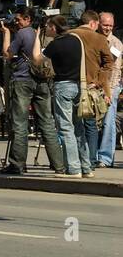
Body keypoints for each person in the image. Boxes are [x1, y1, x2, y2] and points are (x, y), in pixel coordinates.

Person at [0, 8, 67, 175]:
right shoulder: (41, 33)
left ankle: (18, 164)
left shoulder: (22, 34)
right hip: (42, 81)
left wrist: (6, 33)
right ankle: (58, 165)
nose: (15, 22)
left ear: (27, 19)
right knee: (47, 123)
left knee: (19, 123)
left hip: (23, 81)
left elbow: (7, 54)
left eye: (18, 19)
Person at [38, 15, 86, 177]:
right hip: (79, 85)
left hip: (63, 86)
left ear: (53, 28)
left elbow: (37, 59)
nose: (46, 29)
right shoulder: (76, 40)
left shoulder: (55, 44)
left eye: (47, 26)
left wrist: (37, 38)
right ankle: (86, 167)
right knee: (78, 127)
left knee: (65, 128)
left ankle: (73, 168)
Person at [69, 10, 114, 179]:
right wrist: (99, 81)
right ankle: (90, 160)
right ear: (94, 23)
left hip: (70, 84)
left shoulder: (69, 35)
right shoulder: (99, 38)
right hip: (90, 87)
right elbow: (109, 63)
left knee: (71, 125)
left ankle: (75, 160)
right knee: (90, 125)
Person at [98, 11, 121, 169]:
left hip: (111, 87)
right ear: (98, 23)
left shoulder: (116, 44)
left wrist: (111, 92)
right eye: (105, 24)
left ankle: (105, 158)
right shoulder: (93, 38)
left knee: (108, 122)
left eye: (110, 25)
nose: (107, 28)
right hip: (94, 86)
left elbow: (116, 69)